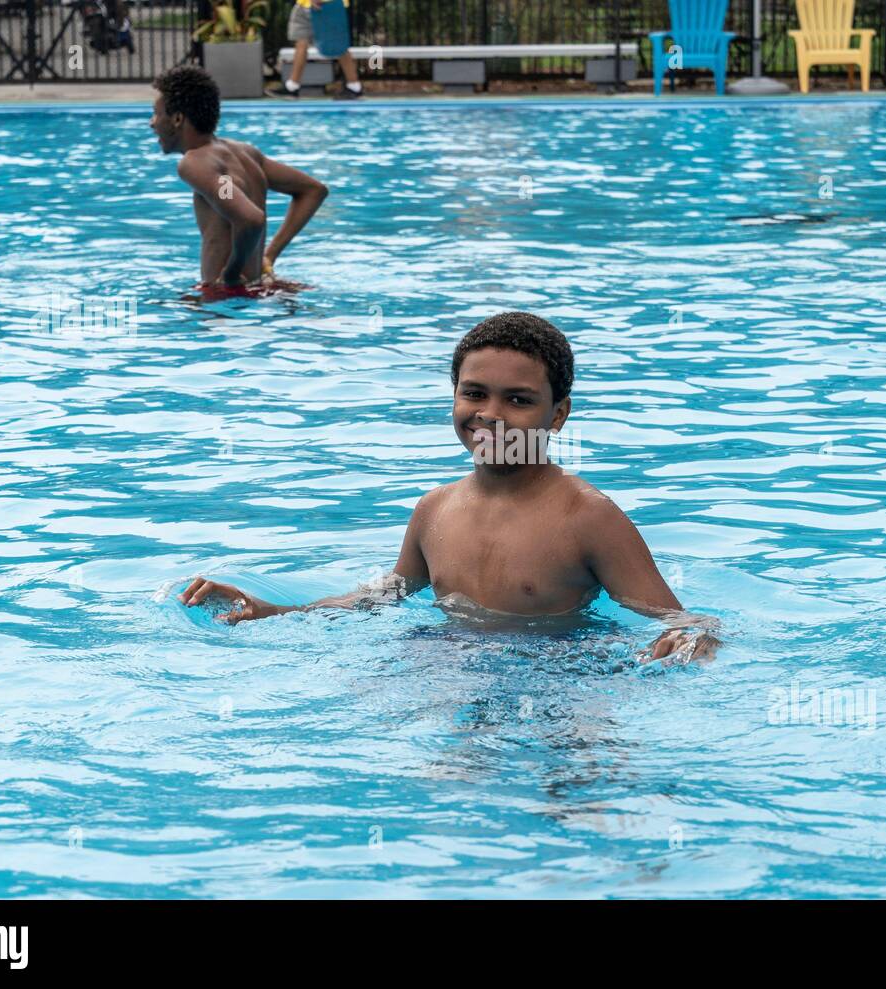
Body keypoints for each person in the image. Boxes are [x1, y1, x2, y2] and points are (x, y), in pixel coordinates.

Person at [179, 312, 720, 664]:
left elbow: (685, 621)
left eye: (519, 400)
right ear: (454, 396)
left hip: (557, 669)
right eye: (475, 393)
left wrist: (686, 643)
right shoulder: (434, 509)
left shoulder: (587, 518)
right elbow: (382, 598)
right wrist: (273, 612)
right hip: (447, 661)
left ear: (558, 415)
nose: (491, 415)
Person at [150, 65, 329, 290]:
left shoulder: (195, 162)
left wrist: (231, 273)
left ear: (177, 119)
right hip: (257, 288)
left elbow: (251, 219)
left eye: (156, 113)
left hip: (228, 298)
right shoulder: (244, 153)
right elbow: (313, 191)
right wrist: (268, 256)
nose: (152, 122)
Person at [275, 0, 364, 100]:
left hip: (326, 5)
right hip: (304, 4)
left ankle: (354, 86)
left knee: (338, 44)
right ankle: (292, 87)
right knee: (301, 43)